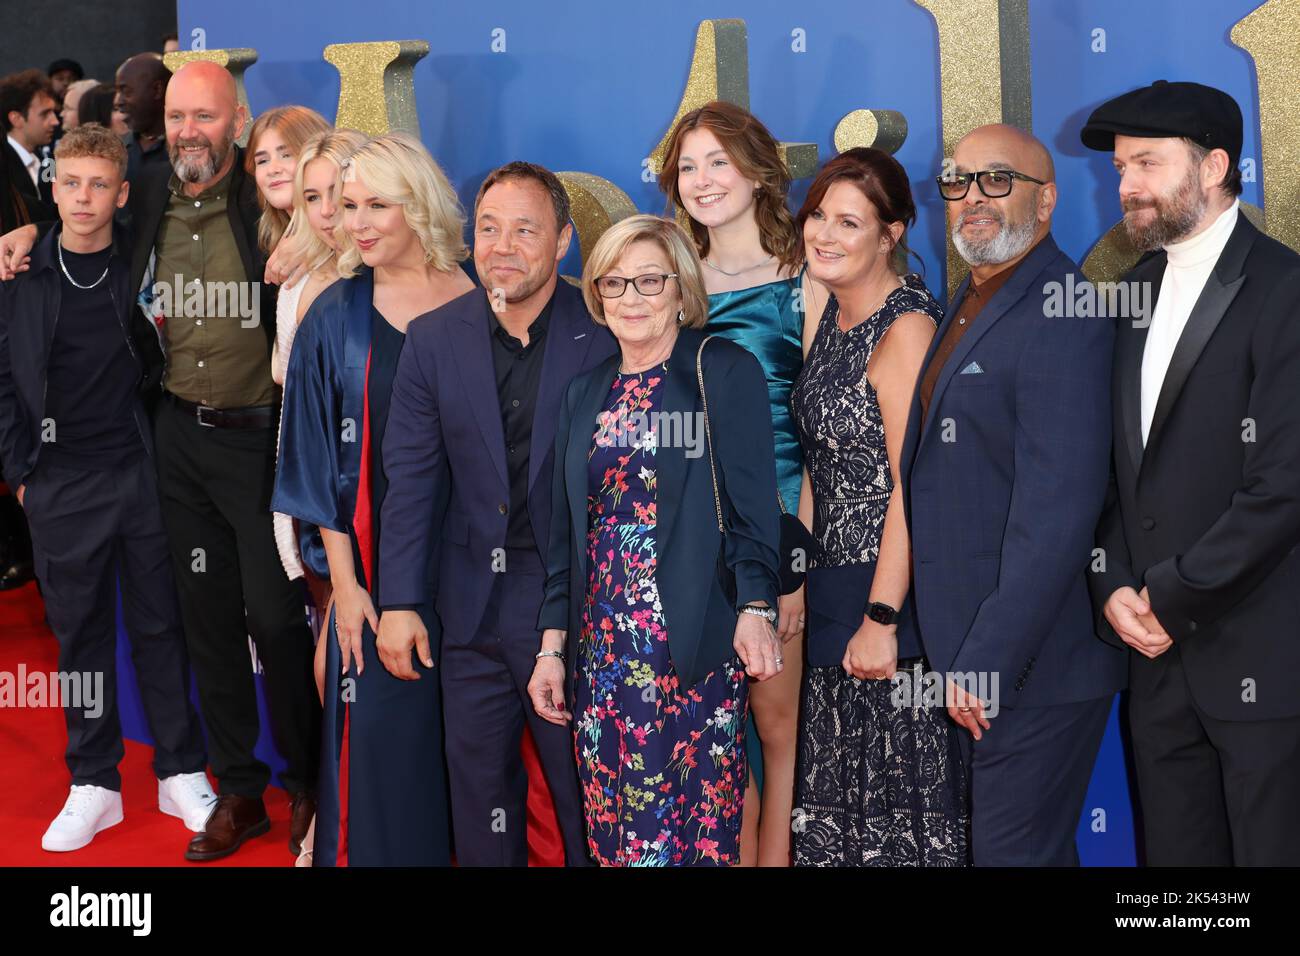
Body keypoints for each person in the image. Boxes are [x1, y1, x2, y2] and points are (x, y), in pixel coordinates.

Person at [0, 60, 326, 861]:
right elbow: (76, 219)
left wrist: (310, 237)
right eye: (176, 115)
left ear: (237, 120)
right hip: (160, 446)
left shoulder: (265, 199)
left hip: (248, 444)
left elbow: (334, 208)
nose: (187, 129)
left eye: (205, 117)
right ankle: (191, 785)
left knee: (265, 622)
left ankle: (299, 784)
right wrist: (27, 233)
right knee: (186, 624)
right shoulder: (130, 199)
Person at [1083, 81, 1300, 865]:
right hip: (1153, 660)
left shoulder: (1286, 289)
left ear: (1213, 167)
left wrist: (1170, 595)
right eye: (1118, 169)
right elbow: (1114, 470)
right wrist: (1111, 585)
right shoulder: (1132, 292)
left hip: (1263, 663)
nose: (1126, 186)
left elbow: (1284, 489)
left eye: (1145, 163)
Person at [377, 161, 615, 867]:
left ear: (564, 242)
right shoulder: (434, 338)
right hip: (469, 607)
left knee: (585, 797)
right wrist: (400, 600)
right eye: (487, 228)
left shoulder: (604, 334)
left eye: (524, 229)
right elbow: (410, 481)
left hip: (575, 608)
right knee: (481, 801)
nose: (501, 246)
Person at [528, 213, 784, 866]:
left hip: (689, 645)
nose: (632, 299)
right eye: (615, 283)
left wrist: (757, 608)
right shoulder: (585, 393)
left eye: (650, 281)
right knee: (617, 836)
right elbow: (566, 540)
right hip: (603, 654)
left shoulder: (719, 370)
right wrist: (552, 649)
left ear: (680, 289)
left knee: (697, 835)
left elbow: (756, 510)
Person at [901, 124, 1125, 866]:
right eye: (959, 181)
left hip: (1032, 665)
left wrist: (987, 659)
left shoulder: (1064, 309)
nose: (972, 198)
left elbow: (1058, 511)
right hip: (974, 657)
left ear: (1048, 198)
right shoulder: (976, 294)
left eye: (997, 180)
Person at [0, 123, 216, 852]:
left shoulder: (141, 257)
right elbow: (2, 380)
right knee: (79, 640)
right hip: (58, 486)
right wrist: (23, 474)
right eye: (69, 182)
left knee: (161, 626)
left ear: (122, 193)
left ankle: (181, 769)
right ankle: (95, 781)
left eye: (99, 184)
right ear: (51, 188)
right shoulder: (20, 276)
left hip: (140, 472)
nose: (83, 197)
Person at [274, 132, 471, 865]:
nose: (354, 222)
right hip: (375, 574)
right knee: (380, 748)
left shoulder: (478, 294)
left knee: (468, 753)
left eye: (375, 204)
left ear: (416, 206)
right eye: (346, 204)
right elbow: (312, 461)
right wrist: (345, 591)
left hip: (477, 568)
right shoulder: (336, 313)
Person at [789, 148, 965, 866]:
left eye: (849, 222)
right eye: (818, 215)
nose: (824, 234)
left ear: (890, 234)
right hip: (832, 593)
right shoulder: (829, 312)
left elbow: (912, 486)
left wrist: (882, 619)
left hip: (887, 604)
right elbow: (815, 461)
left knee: (895, 809)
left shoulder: (907, 327)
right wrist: (795, 576)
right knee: (838, 813)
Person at [659, 100, 809, 866]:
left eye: (718, 161)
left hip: (777, 530)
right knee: (716, 736)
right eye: (687, 165)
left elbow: (818, 433)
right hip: (687, 536)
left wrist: (795, 565)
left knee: (776, 730)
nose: (702, 180)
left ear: (757, 171)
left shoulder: (802, 282)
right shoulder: (670, 281)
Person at [266, 126, 364, 586]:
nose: (327, 213)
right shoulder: (302, 281)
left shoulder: (398, 282)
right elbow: (282, 372)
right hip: (323, 490)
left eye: (338, 193)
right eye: (311, 198)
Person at [1, 69, 57, 232]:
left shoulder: (50, 160)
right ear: (16, 119)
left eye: (54, 112)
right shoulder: (4, 165)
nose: (54, 121)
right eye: (45, 114)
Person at [114, 54, 171, 195]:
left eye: (126, 91)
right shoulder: (115, 151)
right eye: (118, 92)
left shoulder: (189, 150)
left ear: (157, 90)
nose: (118, 101)